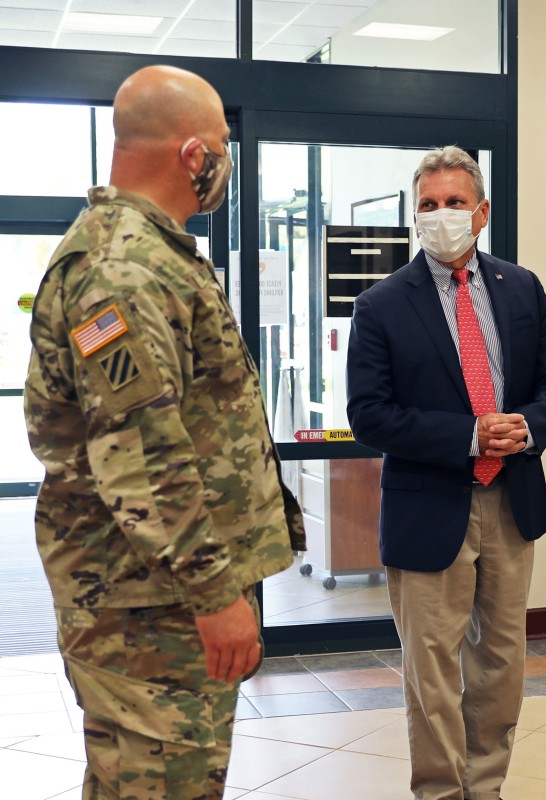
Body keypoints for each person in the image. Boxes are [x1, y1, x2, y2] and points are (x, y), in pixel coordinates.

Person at [24, 65, 305, 799]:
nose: (224, 165)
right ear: (193, 155)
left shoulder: (150, 252)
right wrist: (214, 595)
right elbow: (142, 456)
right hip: (145, 607)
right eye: (219, 145)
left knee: (138, 781)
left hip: (154, 597)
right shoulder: (122, 268)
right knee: (159, 782)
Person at [346, 146, 546, 800]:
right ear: (413, 216)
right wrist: (470, 433)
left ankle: (486, 788)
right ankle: (441, 793)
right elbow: (370, 414)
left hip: (512, 499)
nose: (441, 215)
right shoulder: (383, 305)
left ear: (482, 212)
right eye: (428, 205)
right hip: (428, 507)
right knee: (432, 671)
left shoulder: (522, 287)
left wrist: (528, 425)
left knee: (501, 664)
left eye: (454, 203)